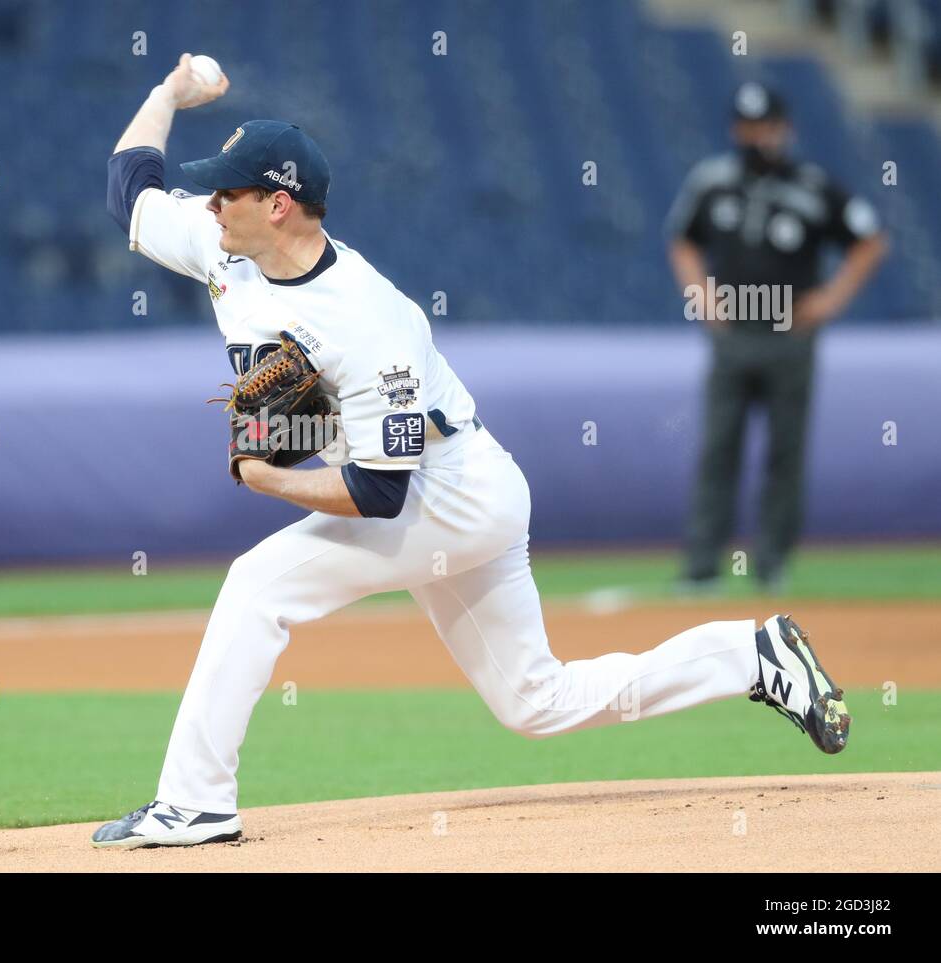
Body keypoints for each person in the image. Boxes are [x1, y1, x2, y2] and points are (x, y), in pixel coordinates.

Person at [94, 55, 851, 849]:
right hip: (450, 493)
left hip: (448, 493)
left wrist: (266, 475)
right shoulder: (225, 248)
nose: (211, 203)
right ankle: (752, 654)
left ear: (278, 205)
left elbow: (381, 494)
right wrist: (167, 92)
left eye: (229, 191)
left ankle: (195, 802)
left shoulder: (368, 319)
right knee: (537, 701)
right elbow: (128, 189)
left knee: (256, 586)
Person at [667, 81, 888, 591]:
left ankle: (771, 563)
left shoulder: (813, 186)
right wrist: (700, 295)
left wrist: (833, 298)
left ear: (784, 129)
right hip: (733, 333)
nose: (755, 137)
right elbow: (681, 241)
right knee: (720, 445)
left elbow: (870, 239)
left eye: (764, 126)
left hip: (790, 333)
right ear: (733, 130)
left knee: (785, 450)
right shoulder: (713, 181)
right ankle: (702, 567)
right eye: (746, 127)